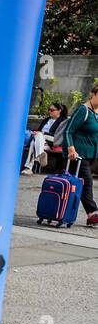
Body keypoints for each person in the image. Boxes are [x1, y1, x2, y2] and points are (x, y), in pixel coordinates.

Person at [59, 83, 98, 227]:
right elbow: (68, 131)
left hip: (90, 155)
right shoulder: (83, 110)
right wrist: (71, 149)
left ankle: (61, 210)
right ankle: (92, 214)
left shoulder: (96, 112)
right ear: (93, 93)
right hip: (77, 155)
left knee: (78, 185)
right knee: (86, 182)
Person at [21, 102, 68, 173]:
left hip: (53, 140)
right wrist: (35, 132)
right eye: (49, 109)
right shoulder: (47, 119)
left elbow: (58, 135)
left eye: (52, 110)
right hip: (42, 142)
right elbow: (39, 130)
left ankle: (30, 166)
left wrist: (43, 133)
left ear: (59, 111)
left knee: (38, 136)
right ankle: (32, 165)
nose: (49, 111)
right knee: (33, 142)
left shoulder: (63, 121)